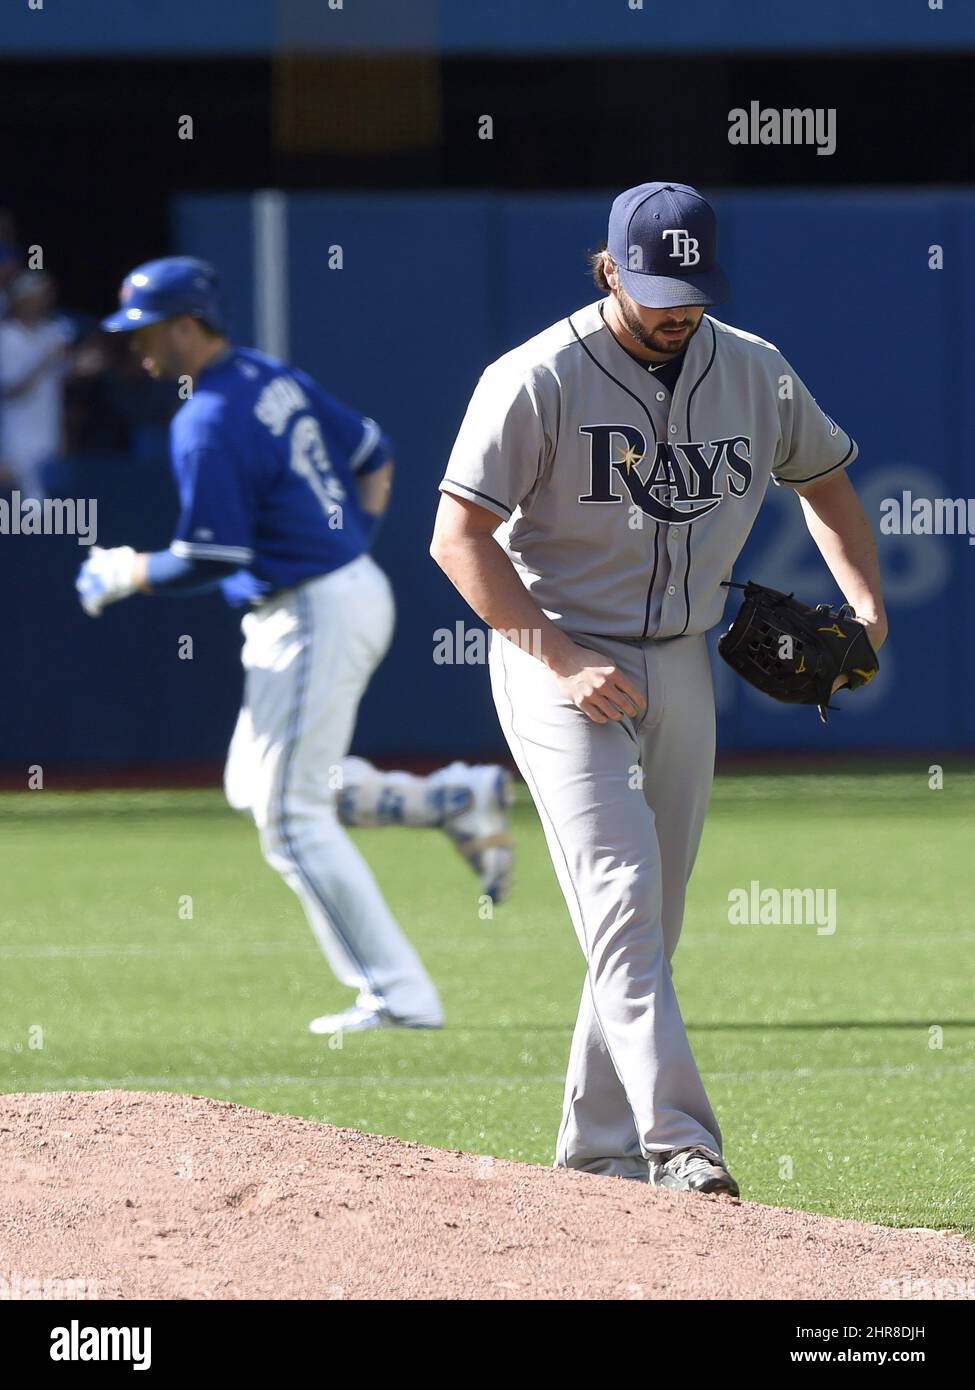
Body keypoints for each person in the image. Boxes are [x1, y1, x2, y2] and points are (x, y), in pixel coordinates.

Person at [431, 181, 887, 1195]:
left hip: (681, 658)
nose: (675, 307)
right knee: (625, 898)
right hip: (559, 655)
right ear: (607, 271)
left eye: (691, 286)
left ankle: (593, 1160)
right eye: (653, 287)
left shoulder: (755, 370)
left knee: (644, 924)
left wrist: (862, 595)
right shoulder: (538, 376)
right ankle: (682, 1148)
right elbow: (455, 539)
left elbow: (825, 480)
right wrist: (554, 656)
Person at [77, 256, 513, 1036]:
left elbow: (213, 558)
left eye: (145, 330)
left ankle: (398, 996)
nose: (136, 348)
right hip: (334, 596)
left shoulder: (207, 417)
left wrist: (125, 572)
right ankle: (447, 799)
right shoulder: (265, 375)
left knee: (289, 817)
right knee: (259, 785)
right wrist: (349, 547)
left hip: (311, 611)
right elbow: (373, 452)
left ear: (186, 325)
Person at [0, 270, 74, 498]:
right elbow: (13, 391)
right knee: (20, 513)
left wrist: (83, 365)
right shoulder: (6, 336)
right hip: (16, 441)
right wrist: (46, 359)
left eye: (45, 296)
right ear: (21, 300)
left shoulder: (53, 332)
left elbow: (62, 381)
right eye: (37, 296)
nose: (42, 302)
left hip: (50, 435)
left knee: (52, 514)